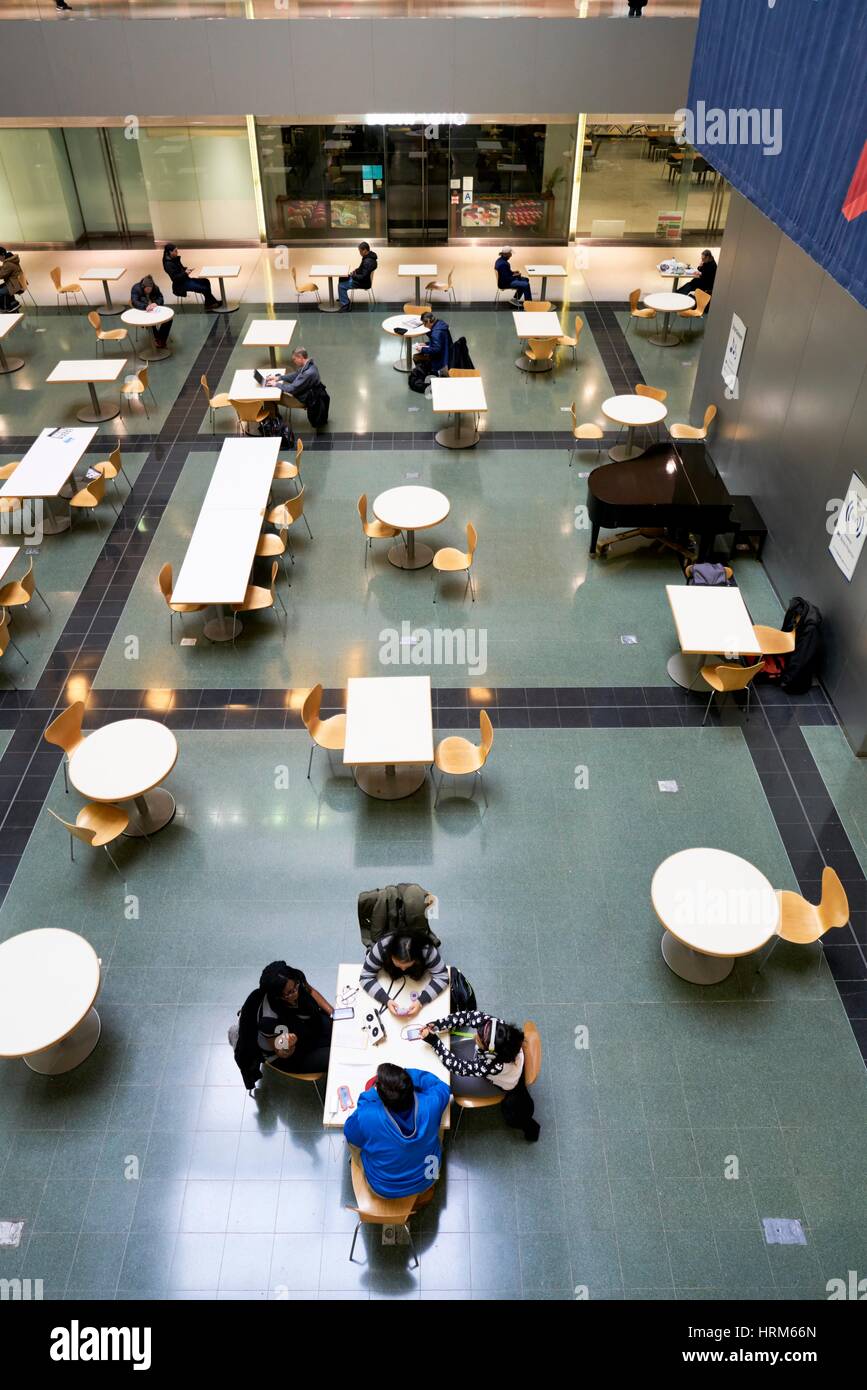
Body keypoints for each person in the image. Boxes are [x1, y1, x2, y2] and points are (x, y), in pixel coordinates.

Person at [419, 1008, 540, 1141]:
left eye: (479, 1039)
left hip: (502, 1083)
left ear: (489, 1054)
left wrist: (435, 1042)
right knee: (452, 1048)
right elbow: (466, 1016)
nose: (475, 1036)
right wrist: (438, 1024)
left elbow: (456, 1066)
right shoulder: (492, 1027)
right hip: (509, 1070)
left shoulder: (491, 1065)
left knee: (446, 1079)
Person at [343, 1062, 450, 1199]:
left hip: (384, 1189)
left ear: (381, 1098)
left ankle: (356, 1161)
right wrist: (406, 1076)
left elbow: (349, 1131)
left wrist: (369, 1096)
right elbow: (442, 1087)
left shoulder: (367, 1115)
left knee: (355, 1140)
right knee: (439, 1129)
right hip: (428, 1179)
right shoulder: (431, 1103)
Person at [233, 961, 333, 1093]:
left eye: (296, 987)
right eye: (289, 993)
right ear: (277, 996)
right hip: (290, 1054)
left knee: (343, 1029)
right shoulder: (269, 1019)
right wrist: (289, 1045)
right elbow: (281, 1052)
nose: (296, 993)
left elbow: (310, 991)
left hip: (305, 1026)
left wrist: (332, 1013)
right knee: (336, 1056)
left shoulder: (295, 981)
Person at [360, 932, 448, 1019]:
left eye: (407, 965)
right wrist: (386, 1000)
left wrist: (421, 1001)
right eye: (399, 965)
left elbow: (443, 977)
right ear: (390, 955)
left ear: (417, 958)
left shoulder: (427, 950)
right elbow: (365, 977)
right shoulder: (382, 948)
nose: (403, 970)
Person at [161, 244, 221, 310]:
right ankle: (212, 303)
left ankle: (209, 303)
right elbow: (175, 278)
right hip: (180, 285)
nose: (177, 252)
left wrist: (185, 270)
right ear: (170, 252)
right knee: (204, 288)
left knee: (206, 281)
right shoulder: (168, 264)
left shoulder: (174, 259)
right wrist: (185, 273)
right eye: (175, 251)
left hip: (185, 280)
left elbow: (180, 269)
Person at [130, 274, 171, 350]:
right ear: (143, 287)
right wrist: (145, 306)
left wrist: (156, 303)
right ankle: (159, 340)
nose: (149, 290)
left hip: (154, 309)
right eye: (147, 289)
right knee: (151, 322)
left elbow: (160, 297)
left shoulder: (155, 288)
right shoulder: (136, 288)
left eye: (150, 289)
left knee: (169, 319)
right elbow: (134, 301)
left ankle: (160, 339)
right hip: (142, 310)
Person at [337, 241, 378, 310]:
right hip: (363, 279)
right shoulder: (369, 257)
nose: (359, 253)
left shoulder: (367, 261)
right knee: (342, 278)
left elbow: (363, 277)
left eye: (360, 251)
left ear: (365, 250)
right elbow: (362, 269)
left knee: (341, 286)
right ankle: (343, 298)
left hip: (363, 283)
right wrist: (355, 271)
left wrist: (353, 276)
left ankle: (345, 305)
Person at [413, 311, 452, 377]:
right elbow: (439, 342)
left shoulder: (435, 333)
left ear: (428, 321)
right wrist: (425, 343)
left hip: (440, 360)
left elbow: (436, 349)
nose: (424, 326)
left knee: (416, 357)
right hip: (446, 353)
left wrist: (422, 349)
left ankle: (428, 373)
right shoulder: (440, 324)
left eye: (424, 324)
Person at [0, 247, 25, 312]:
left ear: (2, 255)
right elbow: (5, 269)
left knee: (1, 291)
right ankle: (13, 303)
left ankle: (8, 307)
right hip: (17, 283)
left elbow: (2, 275)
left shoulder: (8, 263)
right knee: (2, 288)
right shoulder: (11, 260)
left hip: (14, 285)